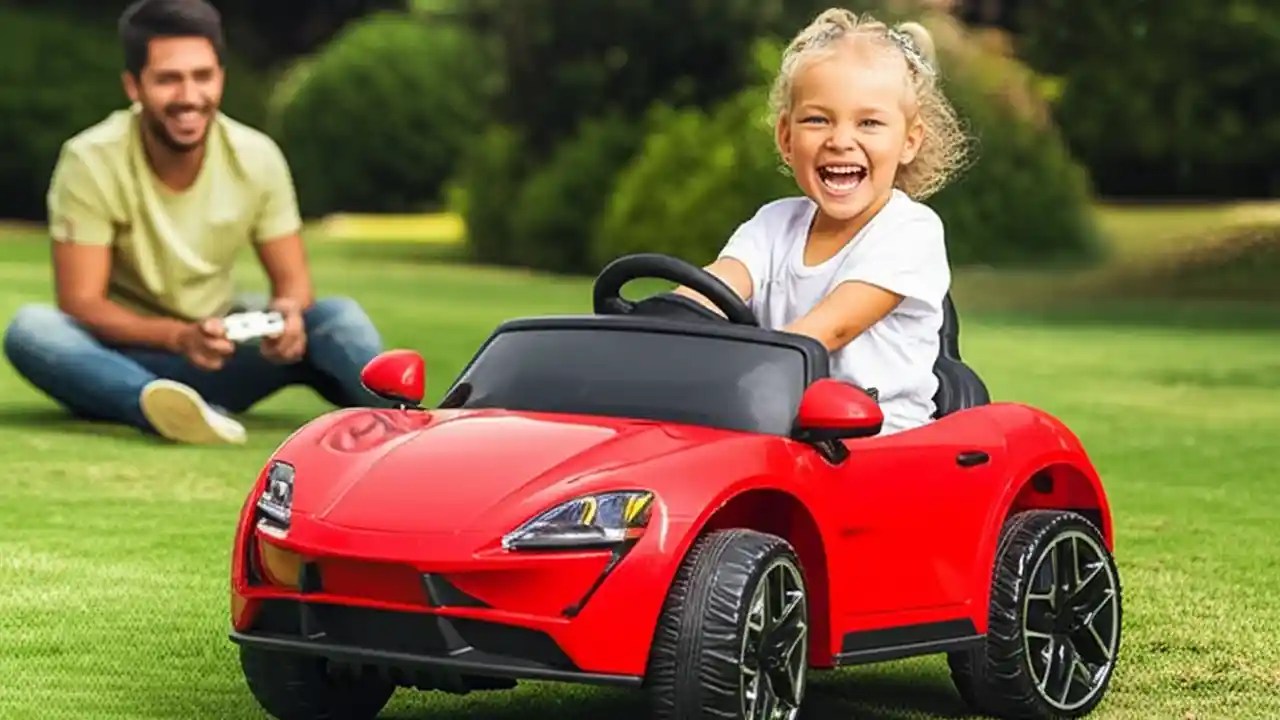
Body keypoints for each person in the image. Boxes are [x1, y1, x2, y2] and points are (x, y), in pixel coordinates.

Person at [2, 0, 389, 445]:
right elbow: (81, 301)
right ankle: (161, 408)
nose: (189, 97)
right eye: (169, 79)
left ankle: (413, 426)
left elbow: (294, 286)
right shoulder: (90, 159)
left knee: (337, 317)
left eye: (202, 76)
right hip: (119, 357)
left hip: (221, 349)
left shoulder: (256, 157)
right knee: (32, 330)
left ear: (220, 77)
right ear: (134, 86)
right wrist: (178, 336)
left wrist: (287, 317)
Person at [679, 9, 970, 435]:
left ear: (909, 141)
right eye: (818, 119)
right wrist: (656, 327)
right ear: (785, 137)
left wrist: (738, 375)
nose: (840, 140)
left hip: (877, 444)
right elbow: (710, 290)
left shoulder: (909, 232)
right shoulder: (773, 225)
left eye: (868, 123)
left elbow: (831, 327)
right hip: (776, 426)